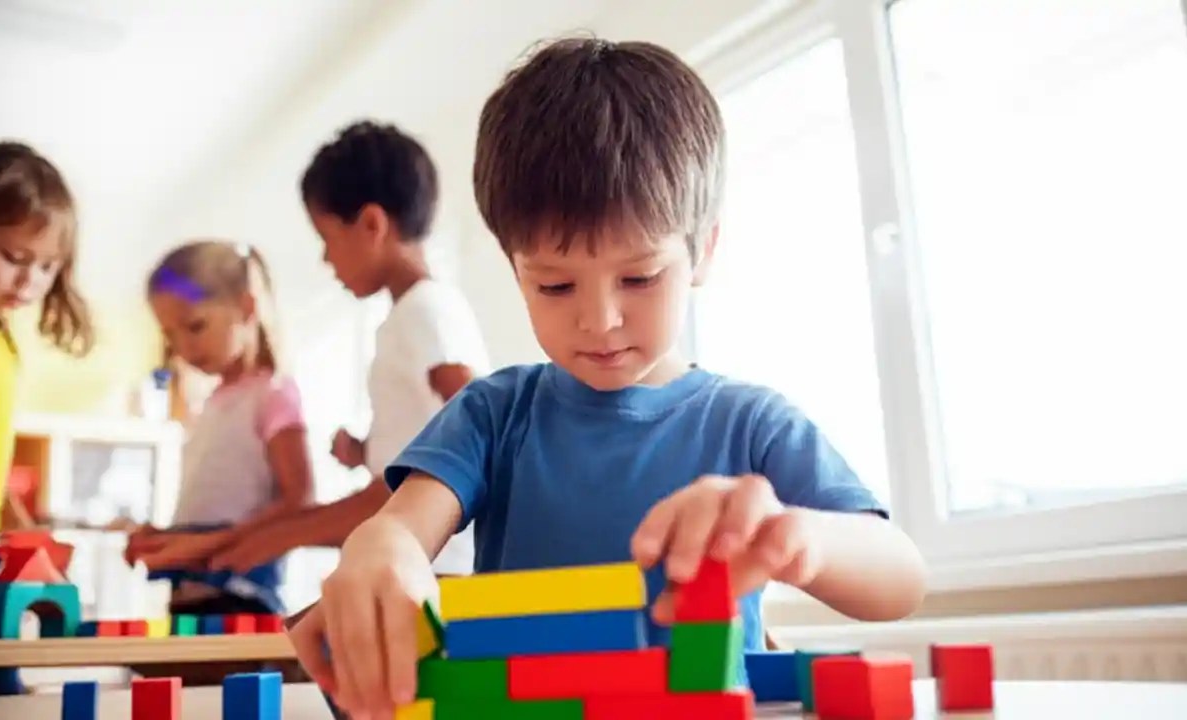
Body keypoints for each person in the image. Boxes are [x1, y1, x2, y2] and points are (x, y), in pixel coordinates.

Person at [291, 37, 928, 718]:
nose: (599, 321)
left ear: (702, 249)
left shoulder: (751, 425)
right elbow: (401, 528)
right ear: (515, 269)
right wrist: (380, 549)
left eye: (640, 277)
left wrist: (798, 537)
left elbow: (901, 578)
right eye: (556, 285)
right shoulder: (492, 415)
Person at [206, 121, 489, 577]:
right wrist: (366, 451)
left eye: (328, 239)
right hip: (416, 557)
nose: (326, 259)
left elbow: (475, 413)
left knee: (272, 542)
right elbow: (432, 427)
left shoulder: (425, 309)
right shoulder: (411, 314)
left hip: (437, 564)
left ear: (372, 225)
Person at [0, 140, 94, 697]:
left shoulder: (0, 342)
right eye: (14, 257)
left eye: (47, 267)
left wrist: (26, 533)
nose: (30, 282)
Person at [125, 240, 313, 618]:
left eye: (195, 326)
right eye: (170, 335)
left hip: (241, 596)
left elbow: (301, 500)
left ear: (246, 307)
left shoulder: (272, 395)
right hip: (193, 595)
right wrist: (167, 539)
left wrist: (213, 542)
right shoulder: (213, 403)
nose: (183, 347)